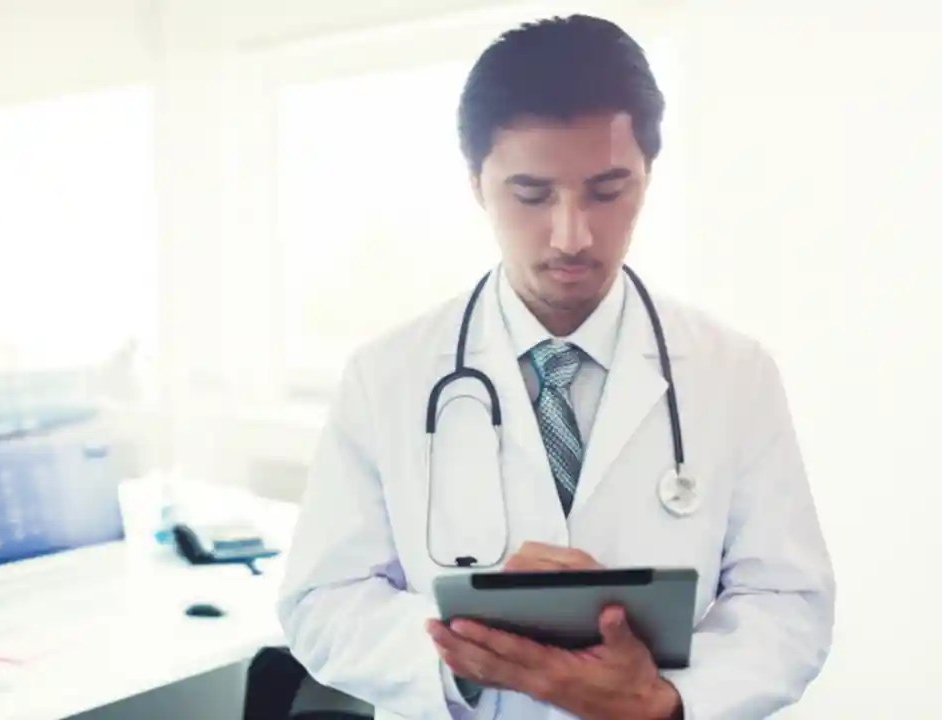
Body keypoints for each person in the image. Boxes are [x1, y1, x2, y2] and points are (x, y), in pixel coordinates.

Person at [276, 14, 834, 720]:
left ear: (648, 177)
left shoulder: (734, 374)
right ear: (477, 182)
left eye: (608, 190)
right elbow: (321, 600)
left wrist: (663, 701)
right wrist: (470, 652)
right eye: (532, 195)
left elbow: (789, 604)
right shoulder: (386, 376)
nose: (573, 235)